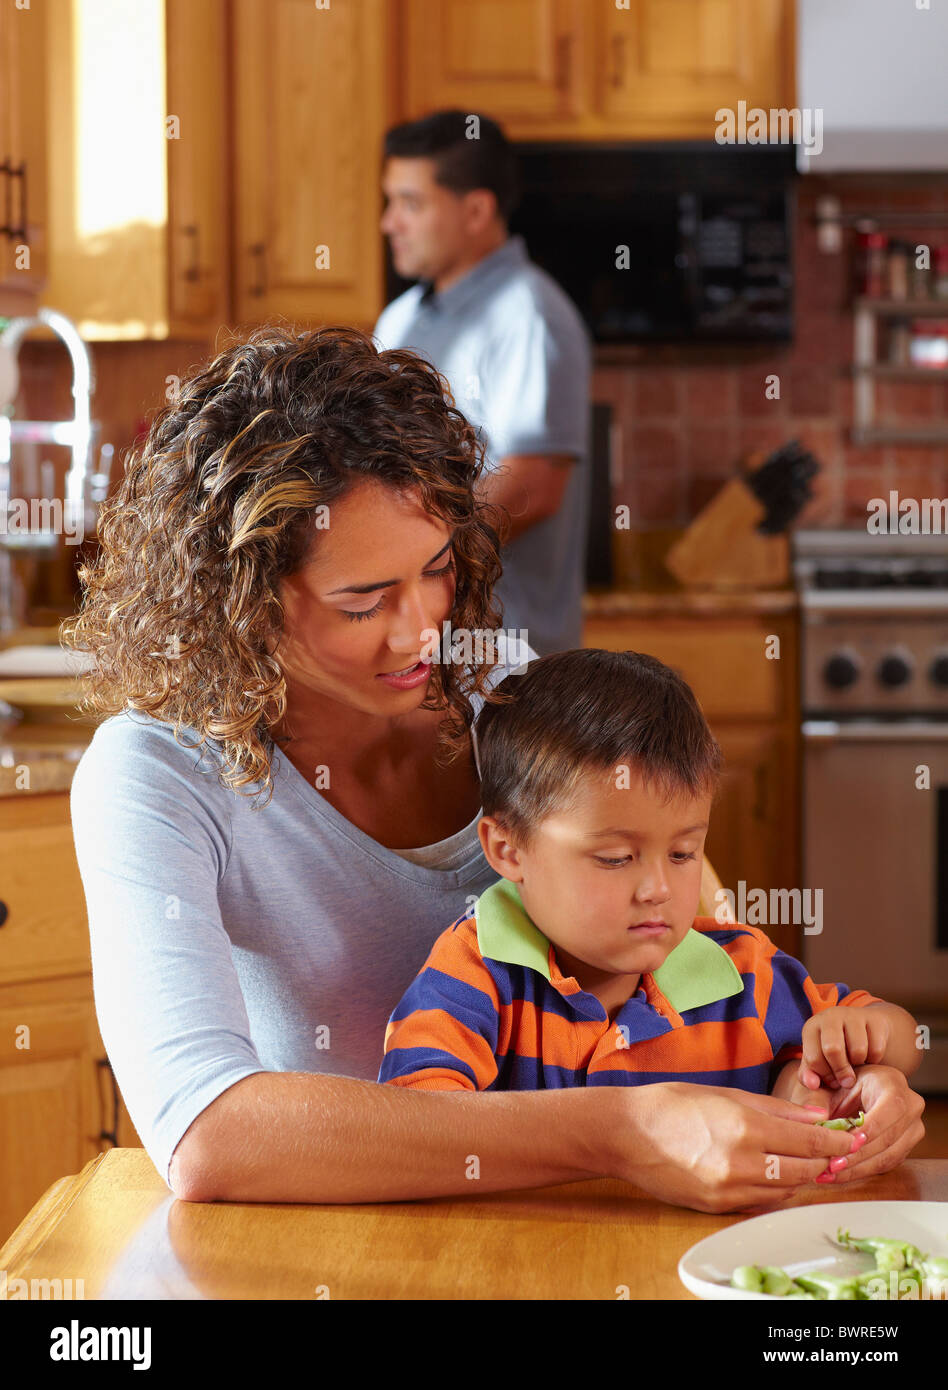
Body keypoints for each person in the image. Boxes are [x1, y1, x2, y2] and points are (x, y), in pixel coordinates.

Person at [61, 325, 923, 1215]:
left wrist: (834, 1078)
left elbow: (708, 953)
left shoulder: (513, 697)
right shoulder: (156, 776)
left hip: (587, 1223)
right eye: (363, 602)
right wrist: (619, 1131)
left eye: (435, 571)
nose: (420, 632)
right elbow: (206, 1135)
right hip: (344, 1252)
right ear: (237, 600)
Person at [379, 649, 923, 1142]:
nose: (659, 889)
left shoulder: (745, 973)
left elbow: (904, 1040)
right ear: (508, 849)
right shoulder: (475, 977)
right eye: (616, 858)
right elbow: (418, 1127)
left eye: (684, 853)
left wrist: (865, 1038)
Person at [374, 109, 592, 658]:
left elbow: (534, 483)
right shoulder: (399, 320)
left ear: (476, 210)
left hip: (506, 657)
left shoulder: (530, 316)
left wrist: (401, 562)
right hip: (421, 647)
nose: (389, 222)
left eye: (410, 203)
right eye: (390, 200)